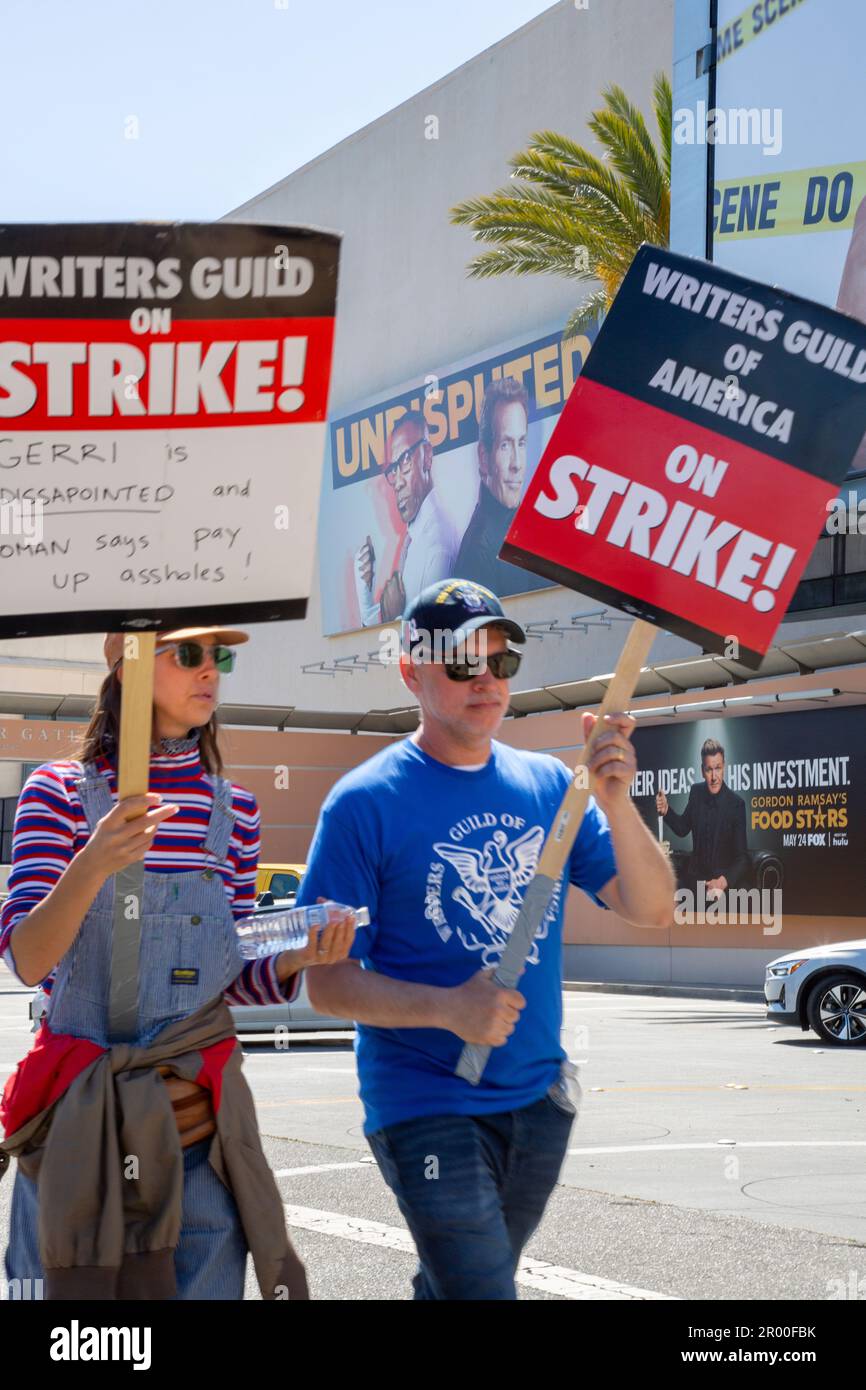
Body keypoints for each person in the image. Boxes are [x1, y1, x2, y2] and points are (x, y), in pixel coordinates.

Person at [296, 578, 674, 1300]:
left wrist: (617, 801)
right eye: (463, 662)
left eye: (501, 662)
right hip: (425, 1103)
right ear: (411, 670)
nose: (487, 680)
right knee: (480, 1292)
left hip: (538, 1100)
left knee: (457, 1288)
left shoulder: (549, 788)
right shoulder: (364, 803)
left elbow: (652, 908)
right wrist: (448, 1009)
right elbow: (328, 980)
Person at [0, 625, 355, 1300]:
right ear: (129, 665)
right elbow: (27, 956)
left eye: (219, 656)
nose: (210, 670)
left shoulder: (235, 811)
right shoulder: (57, 792)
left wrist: (293, 961)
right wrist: (94, 861)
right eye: (187, 653)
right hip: (79, 1137)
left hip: (199, 1144)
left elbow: (233, 973)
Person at [354, 410, 460, 624]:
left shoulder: (436, 544)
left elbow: (432, 636)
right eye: (393, 469)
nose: (398, 482)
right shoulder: (417, 537)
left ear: (427, 456)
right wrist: (366, 605)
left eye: (404, 460)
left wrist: (392, 618)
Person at [454, 377, 548, 595]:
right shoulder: (478, 551)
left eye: (521, 443)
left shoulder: (524, 523)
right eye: (505, 445)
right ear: (484, 457)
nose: (517, 464)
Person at [656, 737, 749, 899]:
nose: (714, 777)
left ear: (724, 767)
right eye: (709, 769)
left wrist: (721, 883)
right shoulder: (696, 792)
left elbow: (742, 858)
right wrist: (666, 811)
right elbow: (682, 828)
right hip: (693, 881)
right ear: (702, 770)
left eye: (718, 768)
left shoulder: (737, 804)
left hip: (719, 884)